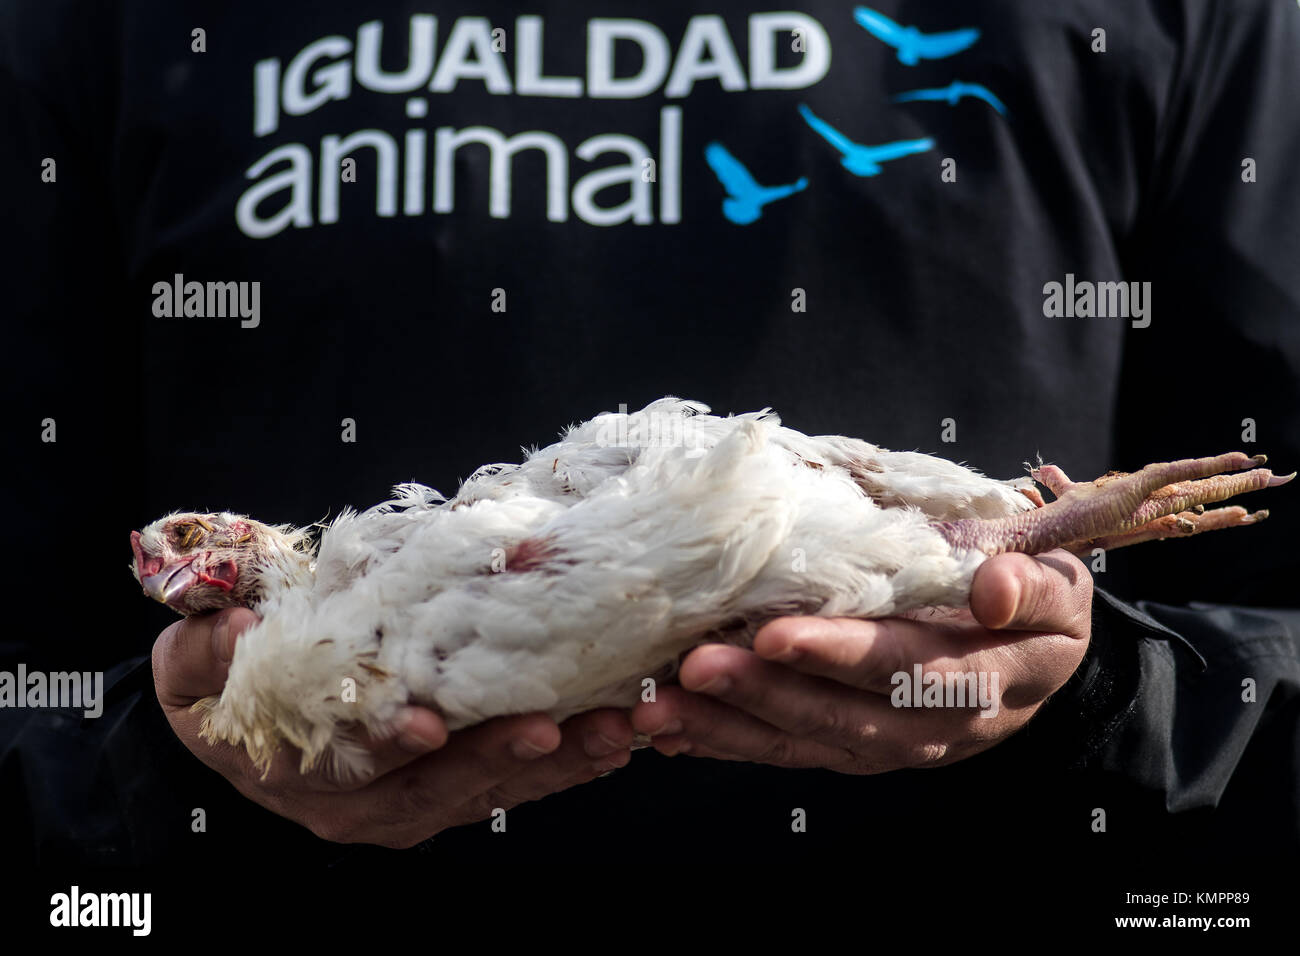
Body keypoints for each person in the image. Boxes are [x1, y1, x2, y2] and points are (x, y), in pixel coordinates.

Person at [2, 0, 1296, 903]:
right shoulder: (92, 23)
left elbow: (1272, 645)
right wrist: (151, 783)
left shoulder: (1187, 17)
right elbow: (31, 696)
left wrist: (1120, 703)